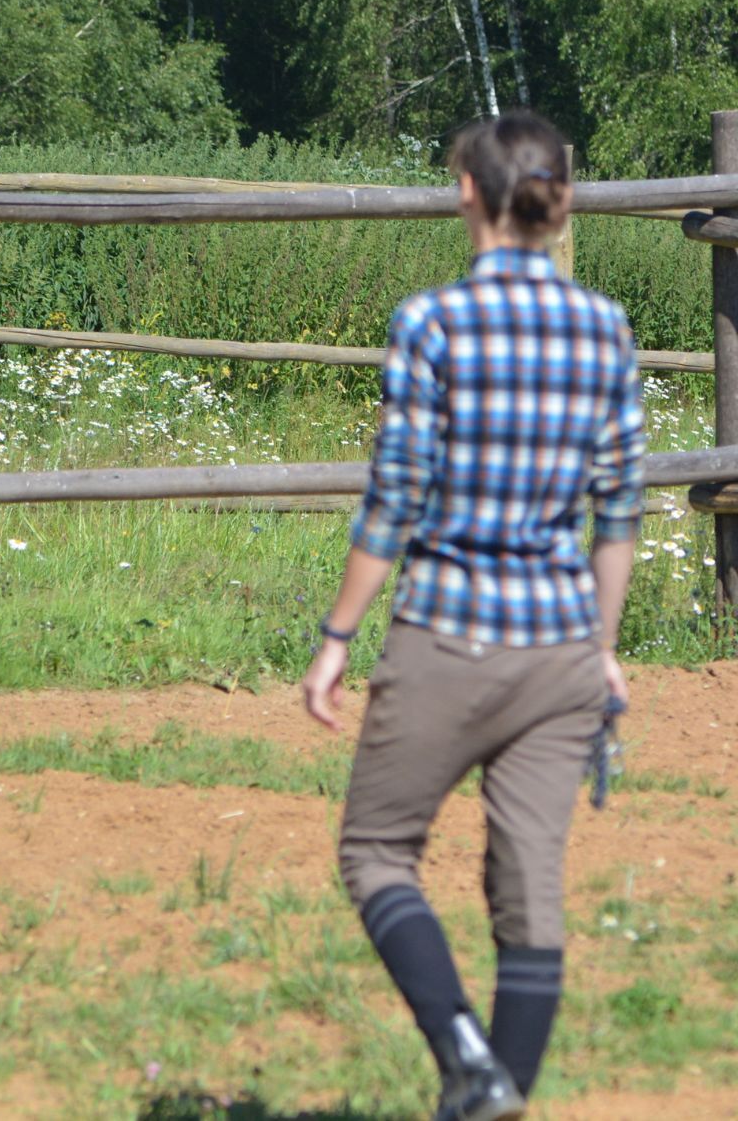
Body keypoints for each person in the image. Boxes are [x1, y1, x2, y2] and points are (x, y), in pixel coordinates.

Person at [302, 112, 644, 1121]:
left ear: (464, 192)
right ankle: (498, 1095)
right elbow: (615, 514)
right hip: (560, 651)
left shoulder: (431, 321)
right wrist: (601, 649)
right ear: (559, 200)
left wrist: (334, 638)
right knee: (529, 893)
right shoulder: (606, 326)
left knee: (374, 851)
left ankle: (465, 1058)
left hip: (447, 630)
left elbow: (394, 496)